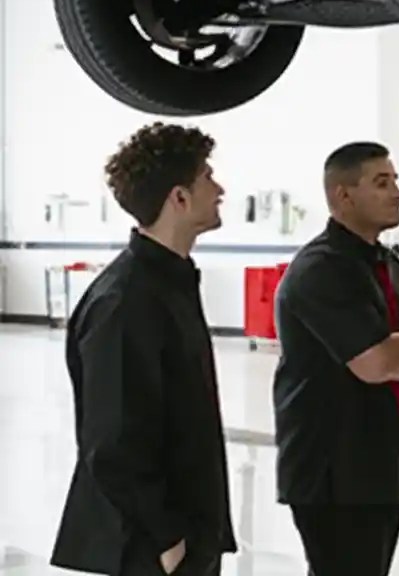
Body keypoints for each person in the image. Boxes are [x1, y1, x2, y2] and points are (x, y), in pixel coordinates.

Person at [50, 122, 236, 576]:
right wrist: (168, 539)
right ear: (179, 198)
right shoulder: (125, 301)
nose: (220, 188)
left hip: (186, 532)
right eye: (207, 176)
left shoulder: (169, 282)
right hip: (147, 547)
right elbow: (112, 443)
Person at [272, 142, 399, 576]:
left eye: (394, 181)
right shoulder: (321, 270)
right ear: (342, 195)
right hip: (332, 475)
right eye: (381, 182)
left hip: (380, 465)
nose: (397, 192)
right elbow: (375, 363)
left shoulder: (385, 263)